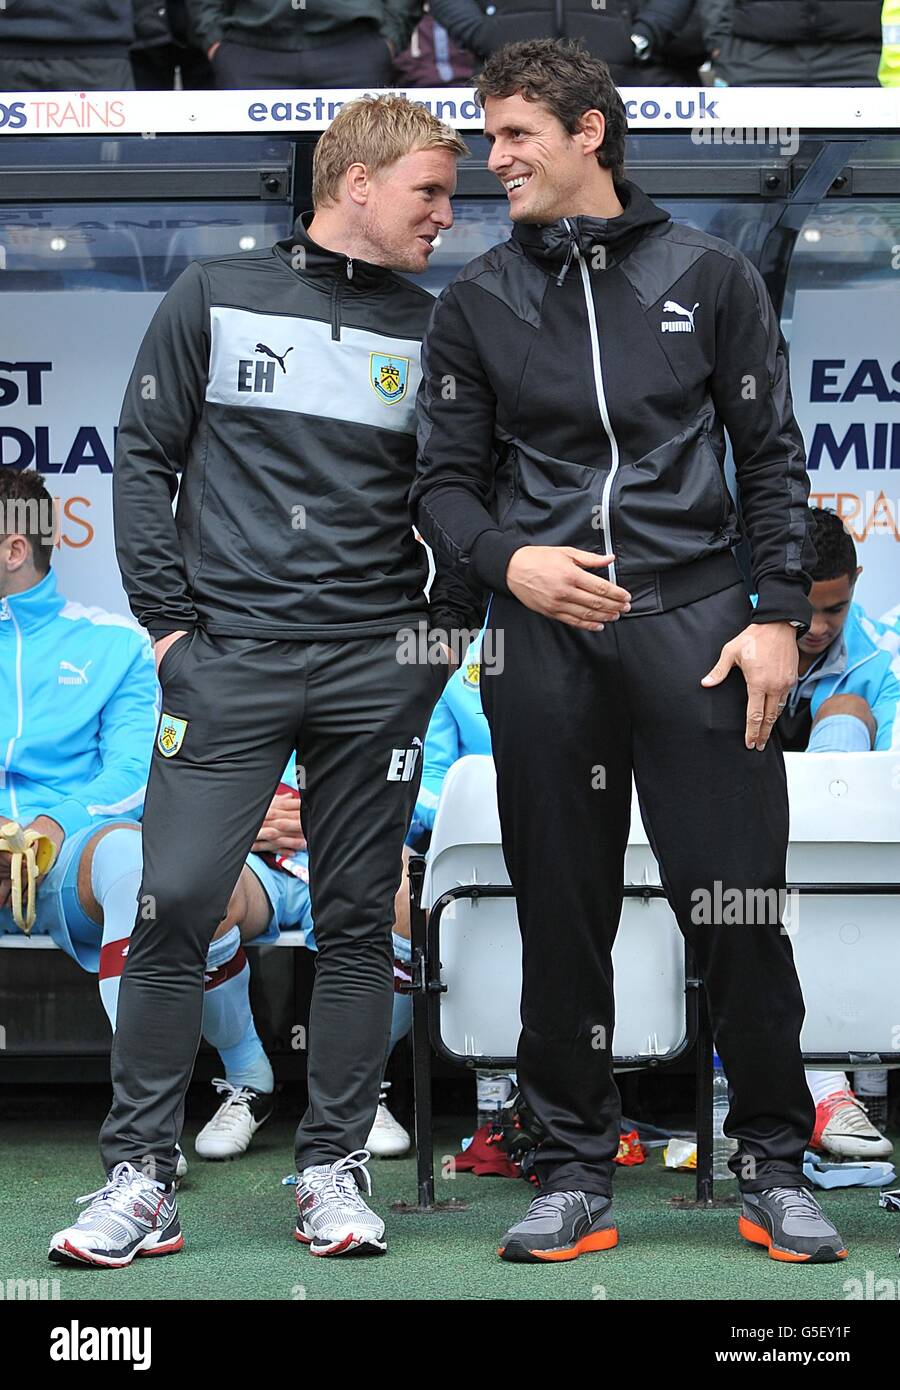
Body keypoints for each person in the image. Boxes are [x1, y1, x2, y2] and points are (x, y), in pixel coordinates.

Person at [412, 37, 849, 1265]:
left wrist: (772, 617)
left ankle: (771, 1158)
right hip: (544, 636)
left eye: (512, 138)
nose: (492, 163)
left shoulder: (711, 275)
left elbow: (771, 463)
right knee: (563, 913)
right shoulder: (478, 299)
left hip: (699, 627)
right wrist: (510, 563)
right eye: (487, 139)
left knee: (740, 906)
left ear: (587, 132)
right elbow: (442, 488)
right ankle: (567, 1166)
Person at [47, 94, 471, 1268]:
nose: (448, 212)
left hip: (374, 669)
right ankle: (141, 1174)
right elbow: (143, 457)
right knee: (174, 897)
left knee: (353, 920)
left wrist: (430, 656)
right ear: (357, 184)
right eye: (430, 191)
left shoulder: (445, 328)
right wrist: (171, 630)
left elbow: (469, 507)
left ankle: (329, 1165)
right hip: (225, 660)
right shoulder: (215, 292)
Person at [774, 507, 899, 1162]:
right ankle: (822, 1085)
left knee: (848, 717)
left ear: (857, 581)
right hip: (743, 850)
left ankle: (828, 1082)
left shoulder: (882, 657)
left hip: (836, 864)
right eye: (806, 612)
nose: (820, 629)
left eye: (837, 609)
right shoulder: (724, 639)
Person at [188, 0, 416, 87]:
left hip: (356, 49)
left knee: (363, 170)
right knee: (247, 170)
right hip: (249, 52)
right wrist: (213, 38)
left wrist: (390, 37)